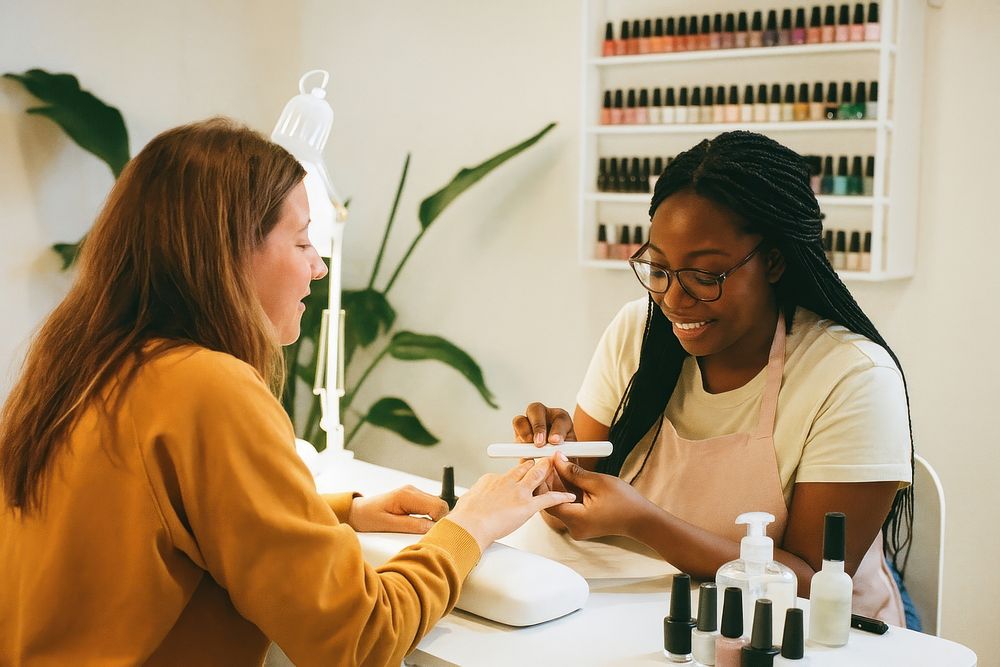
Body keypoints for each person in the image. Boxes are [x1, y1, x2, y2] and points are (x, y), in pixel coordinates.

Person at [0, 118, 574, 666]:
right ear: (229, 253)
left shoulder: (78, 366)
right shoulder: (206, 385)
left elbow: (146, 528)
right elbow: (360, 638)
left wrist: (342, 514)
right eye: (302, 243)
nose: (319, 268)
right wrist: (470, 526)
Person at [513, 131, 914, 626]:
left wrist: (643, 522)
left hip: (813, 638)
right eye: (659, 269)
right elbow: (578, 512)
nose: (675, 300)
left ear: (773, 260)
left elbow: (812, 583)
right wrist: (552, 471)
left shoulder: (852, 378)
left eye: (706, 276)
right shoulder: (636, 331)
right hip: (658, 617)